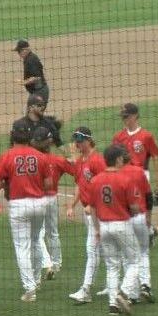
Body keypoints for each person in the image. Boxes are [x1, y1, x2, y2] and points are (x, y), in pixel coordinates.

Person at [0, 121, 54, 302]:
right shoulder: (40, 155)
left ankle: (29, 289)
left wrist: (9, 182)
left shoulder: (6, 156)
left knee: (22, 247)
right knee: (36, 240)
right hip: (39, 204)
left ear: (12, 135)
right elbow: (49, 184)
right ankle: (36, 280)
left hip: (19, 205)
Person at [80, 146, 142, 315]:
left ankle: (113, 305)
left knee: (112, 266)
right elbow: (135, 207)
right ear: (118, 159)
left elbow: (92, 209)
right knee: (135, 260)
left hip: (104, 226)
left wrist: (97, 229)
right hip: (122, 225)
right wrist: (133, 210)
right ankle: (124, 292)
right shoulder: (125, 179)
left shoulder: (95, 180)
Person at [66, 126, 107, 303]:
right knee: (104, 250)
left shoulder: (97, 160)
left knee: (92, 250)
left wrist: (92, 204)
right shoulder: (80, 161)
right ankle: (113, 284)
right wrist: (72, 205)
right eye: (76, 141)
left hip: (99, 213)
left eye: (80, 141)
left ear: (89, 140)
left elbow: (106, 184)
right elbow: (79, 184)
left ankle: (85, 290)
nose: (77, 144)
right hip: (89, 213)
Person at [31, 126, 75, 280]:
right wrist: (73, 159)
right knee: (53, 233)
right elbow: (77, 172)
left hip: (37, 200)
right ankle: (57, 263)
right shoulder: (58, 160)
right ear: (49, 142)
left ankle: (47, 264)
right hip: (52, 200)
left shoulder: (33, 160)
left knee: (38, 234)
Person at [119, 150, 155, 303]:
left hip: (125, 220)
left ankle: (132, 295)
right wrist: (149, 216)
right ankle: (146, 286)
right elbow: (149, 196)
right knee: (144, 252)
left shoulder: (116, 174)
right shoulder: (139, 171)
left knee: (127, 257)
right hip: (141, 218)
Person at [112, 103, 158, 188]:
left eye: (126, 116)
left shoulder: (146, 136)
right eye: (123, 117)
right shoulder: (118, 137)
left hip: (142, 175)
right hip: (123, 175)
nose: (124, 119)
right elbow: (114, 159)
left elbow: (155, 156)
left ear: (135, 116)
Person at [14, 39, 49, 110]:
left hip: (39, 92)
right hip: (38, 92)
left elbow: (36, 77)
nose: (19, 54)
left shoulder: (31, 60)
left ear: (25, 50)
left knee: (32, 115)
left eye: (19, 51)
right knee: (33, 115)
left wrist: (24, 82)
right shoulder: (29, 58)